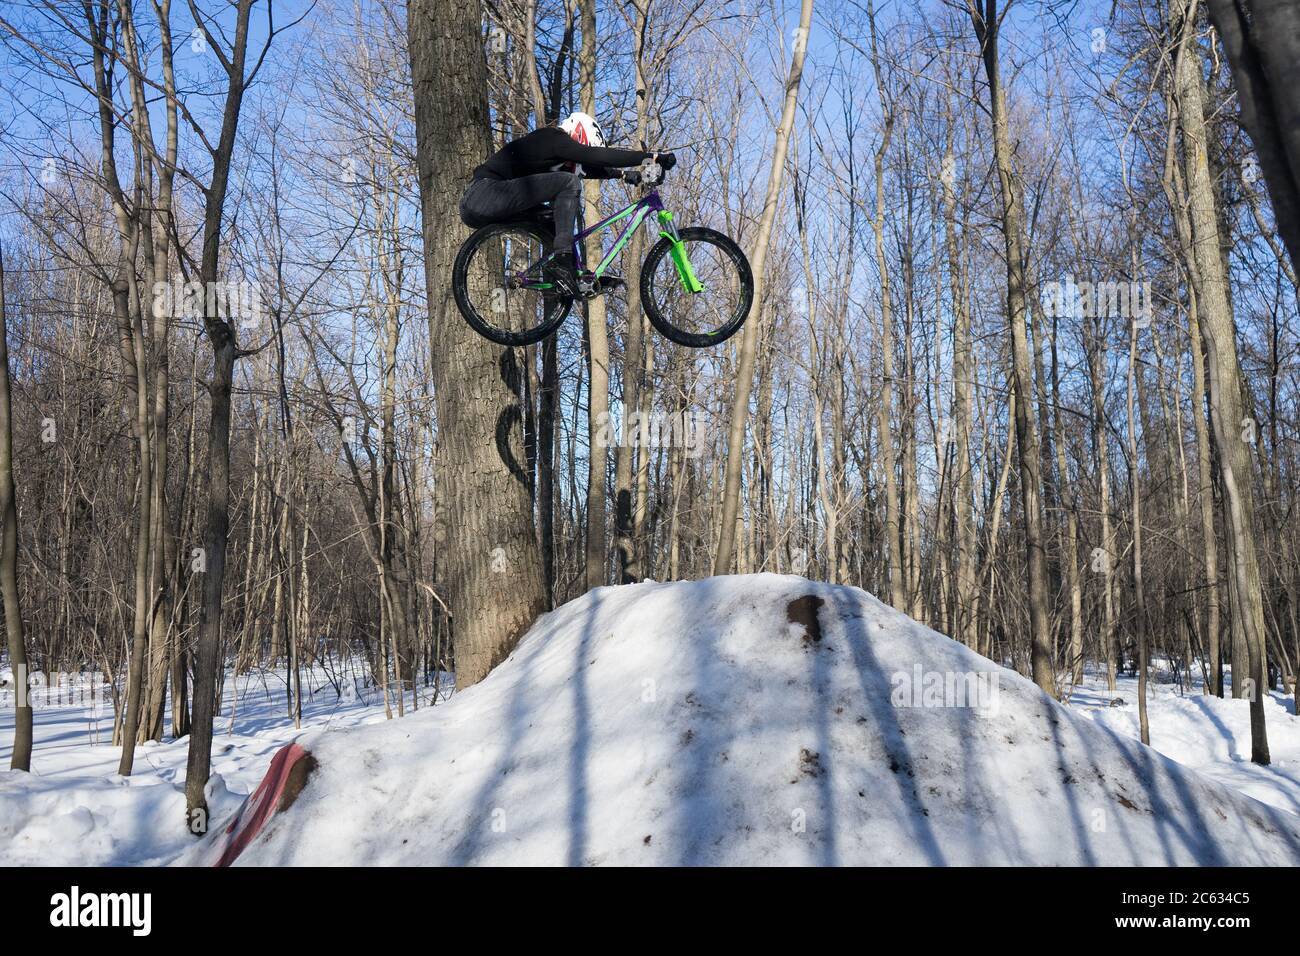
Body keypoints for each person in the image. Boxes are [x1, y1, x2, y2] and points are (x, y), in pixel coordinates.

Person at [459, 111, 676, 297]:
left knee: (554, 220)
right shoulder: (553, 138)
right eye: (582, 149)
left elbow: (593, 168)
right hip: (483, 194)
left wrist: (624, 175)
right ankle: (564, 264)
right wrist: (651, 157)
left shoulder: (556, 157)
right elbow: (596, 157)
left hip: (485, 205)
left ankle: (571, 278)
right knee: (569, 183)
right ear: (579, 134)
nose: (579, 161)